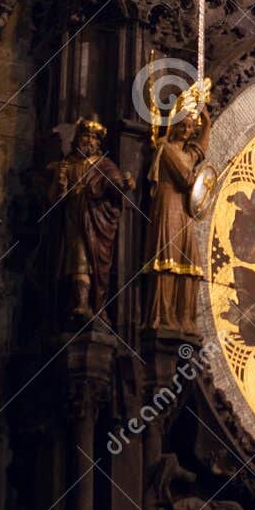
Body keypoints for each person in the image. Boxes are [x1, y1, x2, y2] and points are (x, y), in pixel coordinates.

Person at [48, 117, 133, 320]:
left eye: (94, 138)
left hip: (97, 221)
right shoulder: (68, 164)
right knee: (78, 260)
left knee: (97, 266)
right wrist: (60, 185)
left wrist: (126, 184)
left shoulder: (105, 165)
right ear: (78, 138)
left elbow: (116, 187)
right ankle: (81, 303)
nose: (89, 140)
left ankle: (96, 304)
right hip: (74, 220)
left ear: (99, 143)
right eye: (86, 135)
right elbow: (54, 199)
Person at [144, 85, 212, 335]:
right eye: (183, 125)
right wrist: (201, 182)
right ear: (173, 125)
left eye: (190, 127)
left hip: (183, 209)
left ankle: (185, 319)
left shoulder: (186, 152)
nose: (186, 130)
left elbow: (200, 150)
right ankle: (163, 316)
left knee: (189, 262)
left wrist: (207, 123)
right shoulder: (166, 148)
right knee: (168, 259)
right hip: (169, 204)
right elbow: (185, 178)